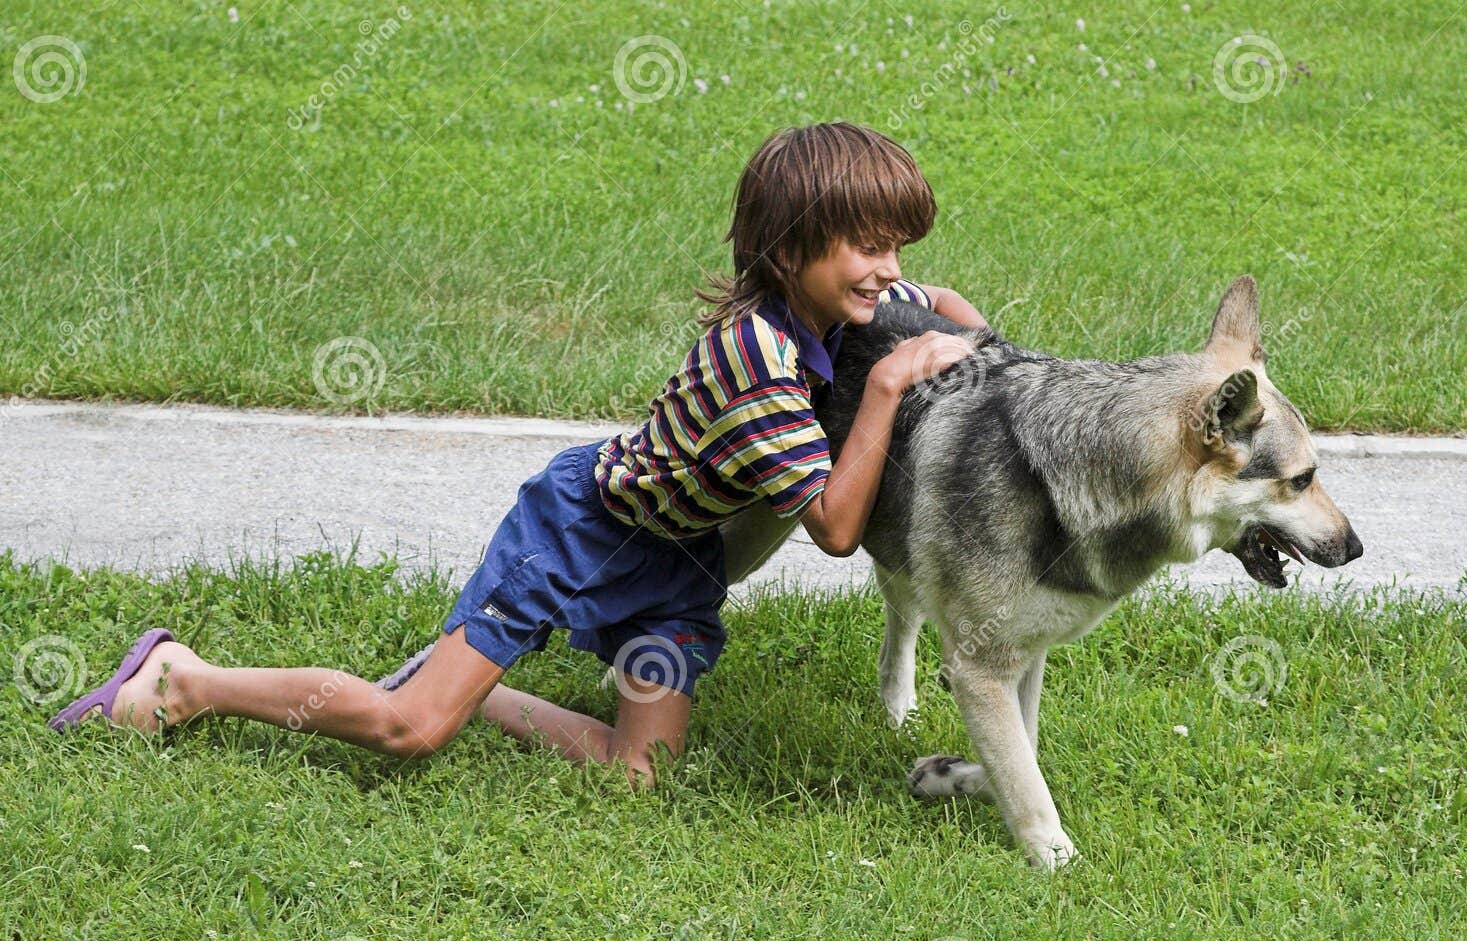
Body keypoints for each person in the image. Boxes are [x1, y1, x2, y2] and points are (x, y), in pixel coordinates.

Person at [47, 121, 988, 786]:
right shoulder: (759, 363)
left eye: (897, 247)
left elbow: (950, 312)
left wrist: (965, 341)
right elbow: (833, 529)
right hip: (580, 533)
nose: (891, 270)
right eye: (869, 247)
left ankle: (472, 687)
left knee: (636, 775)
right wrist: (886, 384)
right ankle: (186, 679)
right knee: (411, 730)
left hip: (676, 567)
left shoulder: (833, 310)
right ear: (790, 250)